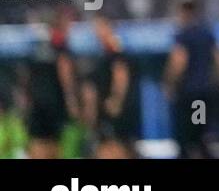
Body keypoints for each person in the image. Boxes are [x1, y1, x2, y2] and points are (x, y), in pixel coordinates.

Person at [163, 0, 219, 159]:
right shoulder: (206, 32)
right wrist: (214, 82)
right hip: (203, 96)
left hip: (189, 96)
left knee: (187, 140)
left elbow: (179, 61)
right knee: (201, 136)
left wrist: (169, 83)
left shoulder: (184, 34)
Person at [23, 10, 79, 159]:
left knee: (37, 142)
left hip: (37, 103)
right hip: (54, 103)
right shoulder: (61, 45)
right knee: (53, 144)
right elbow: (64, 71)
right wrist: (71, 100)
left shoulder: (37, 47)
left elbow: (28, 76)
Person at [88, 16, 137, 158]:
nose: (96, 32)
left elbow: (120, 75)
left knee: (114, 145)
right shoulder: (104, 52)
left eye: (99, 28)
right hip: (110, 109)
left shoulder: (115, 50)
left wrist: (116, 99)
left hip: (114, 109)